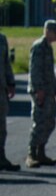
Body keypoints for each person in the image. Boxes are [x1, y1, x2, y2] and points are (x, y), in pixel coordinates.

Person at [26, 19, 56, 169]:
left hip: (48, 91)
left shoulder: (48, 48)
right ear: (48, 31)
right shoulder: (38, 47)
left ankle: (41, 151)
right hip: (40, 91)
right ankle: (31, 154)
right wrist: (38, 90)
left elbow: (50, 71)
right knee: (39, 122)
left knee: (50, 122)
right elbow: (35, 71)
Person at [0, 29, 19, 172]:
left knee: (2, 126)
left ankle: (1, 158)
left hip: (1, 88)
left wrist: (11, 82)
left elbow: (6, 63)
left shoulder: (2, 39)